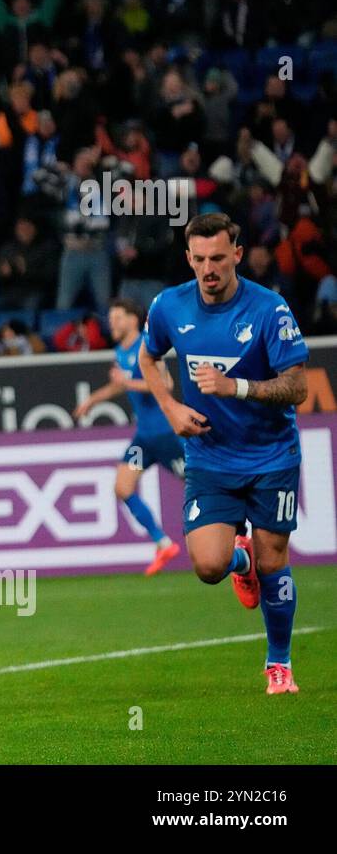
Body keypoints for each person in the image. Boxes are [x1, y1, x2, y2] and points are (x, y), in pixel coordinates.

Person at [139, 214, 309, 695]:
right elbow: (148, 358)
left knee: (275, 561)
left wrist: (237, 386)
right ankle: (241, 561)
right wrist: (170, 406)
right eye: (199, 260)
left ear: (237, 253)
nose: (208, 268)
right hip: (209, 456)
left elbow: (297, 386)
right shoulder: (168, 306)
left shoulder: (269, 309)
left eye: (218, 257)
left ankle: (279, 663)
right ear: (187, 259)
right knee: (209, 566)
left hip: (271, 456)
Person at [73, 299, 184, 575]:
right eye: (110, 317)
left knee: (203, 484)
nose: (113, 322)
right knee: (123, 487)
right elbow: (118, 385)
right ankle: (163, 543)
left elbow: (166, 384)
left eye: (118, 317)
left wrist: (127, 383)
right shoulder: (120, 351)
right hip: (145, 441)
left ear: (134, 320)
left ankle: (240, 533)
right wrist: (93, 400)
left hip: (168, 435)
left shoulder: (148, 346)